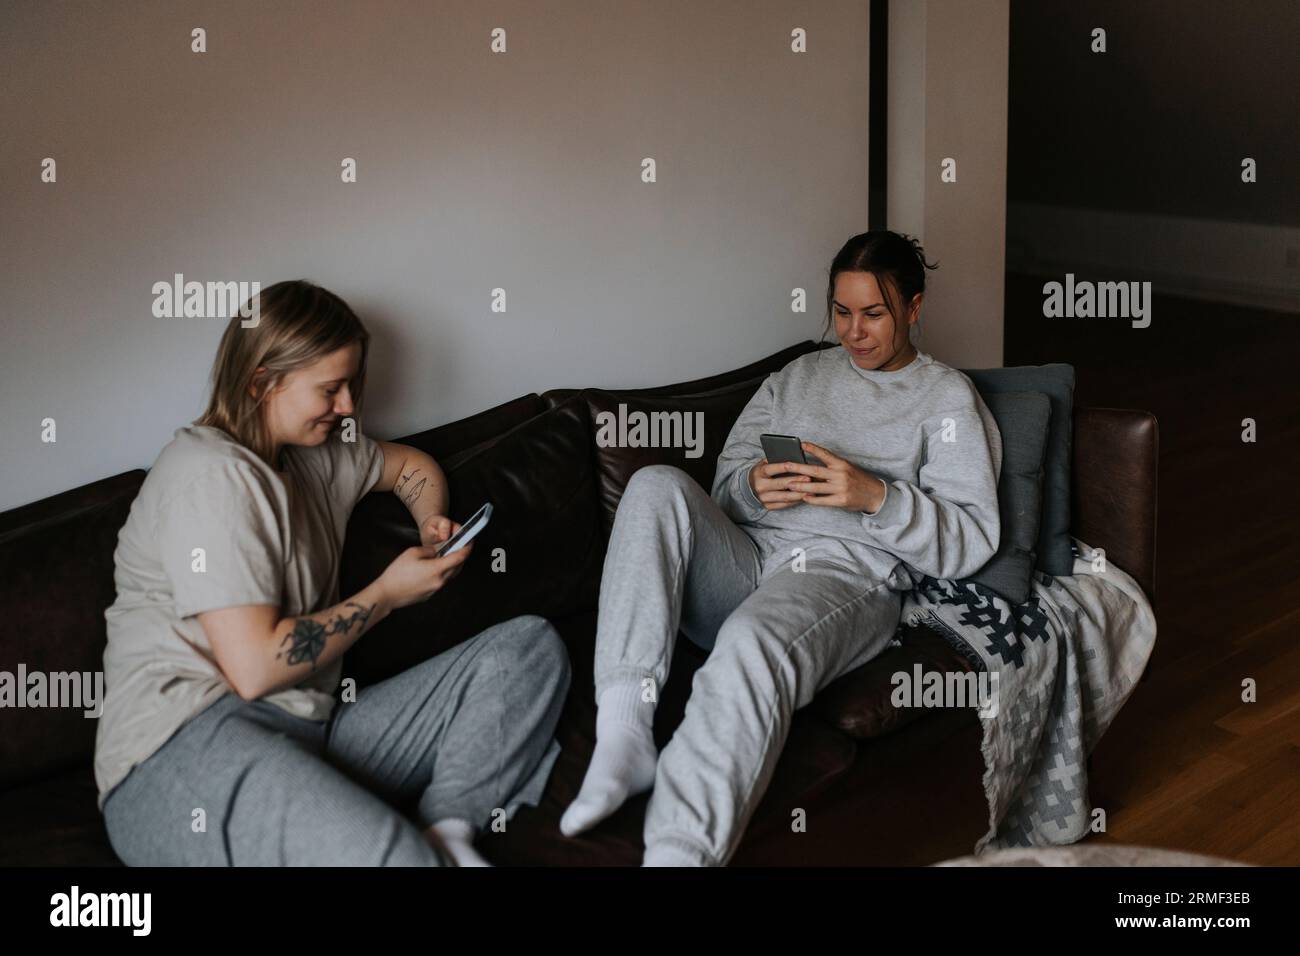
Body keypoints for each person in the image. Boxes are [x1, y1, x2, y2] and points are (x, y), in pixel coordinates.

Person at [560, 231, 1003, 865]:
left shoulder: (947, 398)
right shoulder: (797, 376)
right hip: (746, 560)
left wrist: (873, 495)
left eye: (873, 314)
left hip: (843, 578)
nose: (854, 332)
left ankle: (680, 852)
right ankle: (624, 733)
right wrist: (751, 487)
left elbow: (972, 542)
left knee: (751, 643)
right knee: (655, 484)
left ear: (914, 307)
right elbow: (725, 485)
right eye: (842, 312)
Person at [95, 280, 570, 866]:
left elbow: (409, 469)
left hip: (309, 725)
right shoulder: (209, 476)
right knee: (387, 853)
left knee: (527, 648)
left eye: (351, 385)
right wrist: (388, 595)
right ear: (261, 381)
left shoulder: (314, 457)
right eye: (330, 388)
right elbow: (254, 667)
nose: (347, 406)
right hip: (179, 749)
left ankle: (447, 836)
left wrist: (431, 524)